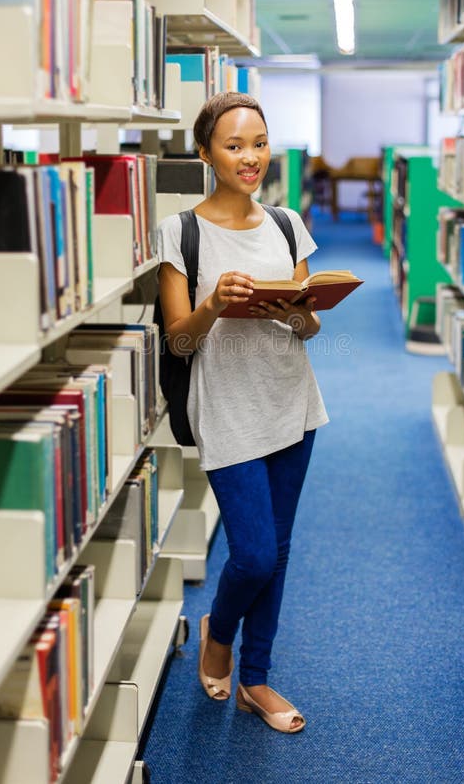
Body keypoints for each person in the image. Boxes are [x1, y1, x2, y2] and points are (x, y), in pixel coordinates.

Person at [156, 91, 329, 734]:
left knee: (277, 550)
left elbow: (308, 328)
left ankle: (256, 678)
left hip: (291, 400)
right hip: (225, 407)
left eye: (258, 143)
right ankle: (219, 634)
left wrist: (298, 313)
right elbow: (178, 339)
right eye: (234, 145)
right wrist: (214, 304)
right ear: (206, 153)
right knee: (253, 554)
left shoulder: (287, 226)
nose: (250, 157)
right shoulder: (182, 232)